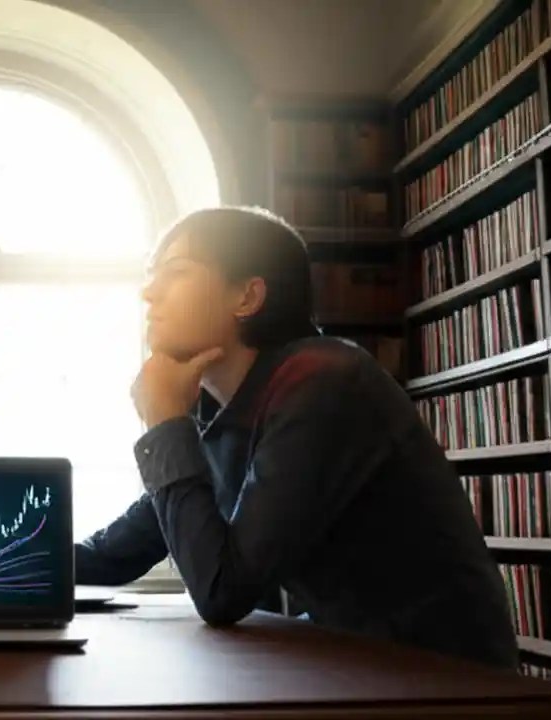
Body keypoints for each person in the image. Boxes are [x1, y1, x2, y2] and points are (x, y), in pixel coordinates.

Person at [76, 205, 519, 670]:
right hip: (360, 667)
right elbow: (115, 555)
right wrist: (6, 568)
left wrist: (165, 421)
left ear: (247, 297)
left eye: (176, 273)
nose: (149, 292)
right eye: (151, 276)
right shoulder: (225, 413)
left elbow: (222, 591)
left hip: (447, 680)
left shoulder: (324, 381)